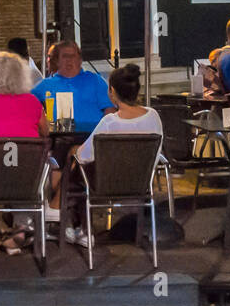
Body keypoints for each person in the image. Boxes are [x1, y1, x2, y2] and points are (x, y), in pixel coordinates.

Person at [60, 64, 164, 247]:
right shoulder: (153, 116)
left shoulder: (109, 122)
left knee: (74, 161)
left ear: (112, 91)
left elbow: (84, 156)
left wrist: (72, 150)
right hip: (141, 182)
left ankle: (82, 228)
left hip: (107, 185)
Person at [0, 51, 50, 254]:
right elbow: (45, 132)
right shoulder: (32, 102)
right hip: (27, 179)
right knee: (23, 166)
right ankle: (22, 227)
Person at [31, 40, 115, 131]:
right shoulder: (45, 85)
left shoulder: (95, 81)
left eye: (73, 56)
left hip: (92, 137)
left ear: (80, 60)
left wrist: (103, 133)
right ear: (57, 61)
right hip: (60, 137)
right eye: (65, 56)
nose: (69, 60)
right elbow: (26, 106)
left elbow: (110, 111)